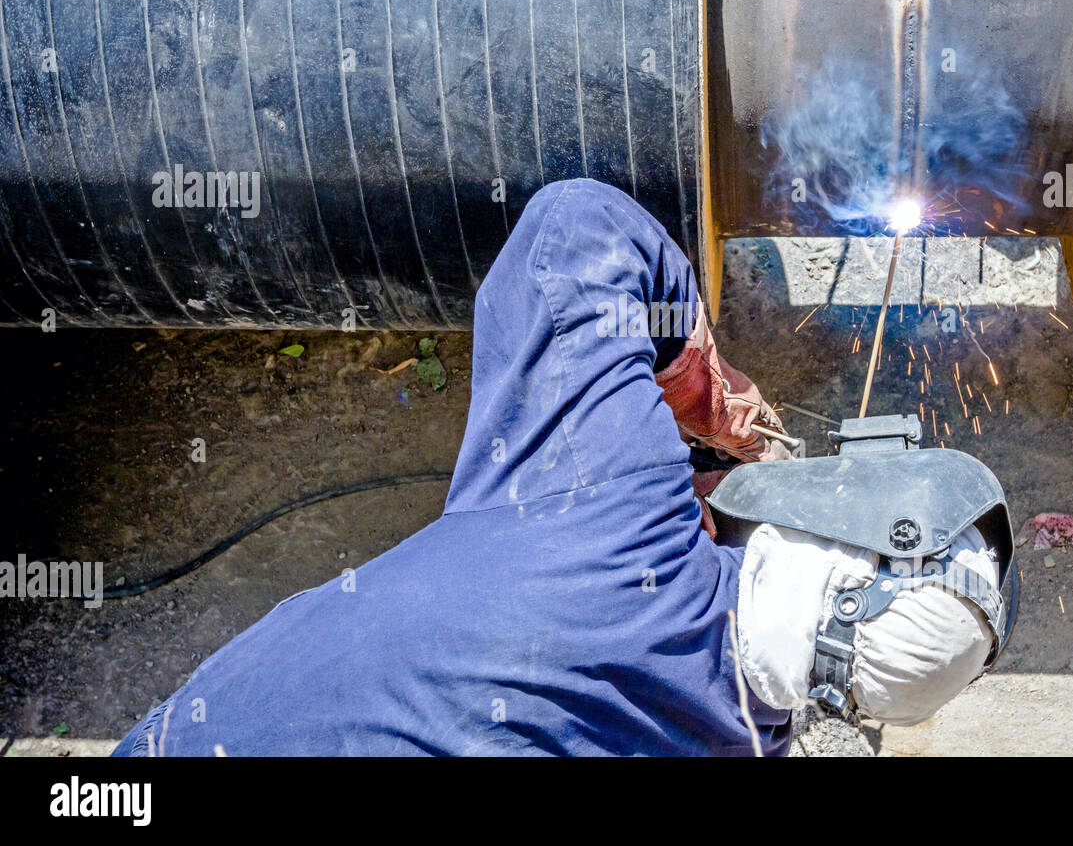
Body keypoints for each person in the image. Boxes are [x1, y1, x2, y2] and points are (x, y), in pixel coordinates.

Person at [114, 179, 1002, 756]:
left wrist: (704, 393)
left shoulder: (612, 510)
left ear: (835, 558)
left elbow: (574, 229)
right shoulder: (740, 737)